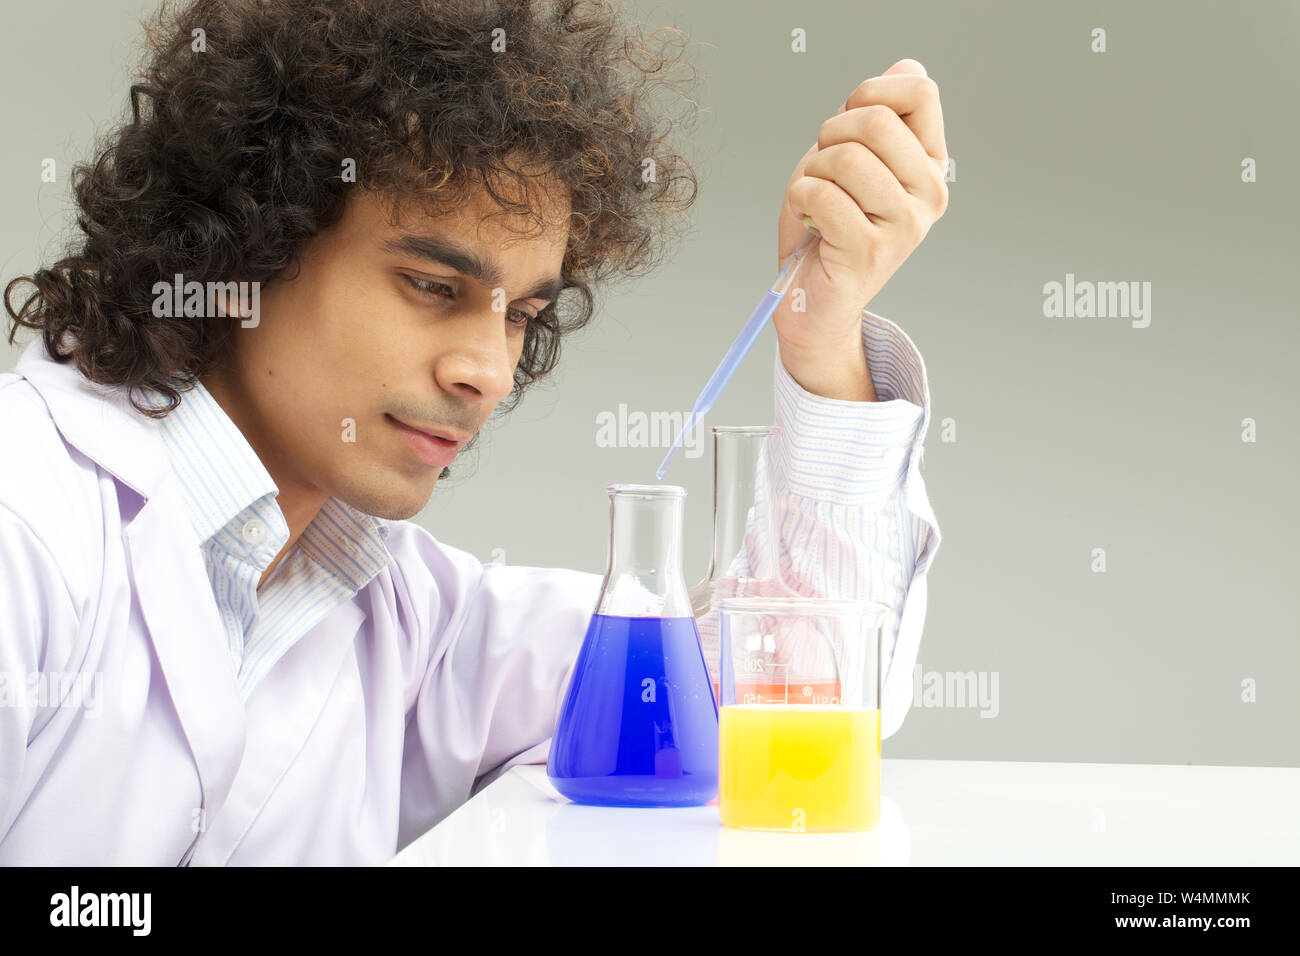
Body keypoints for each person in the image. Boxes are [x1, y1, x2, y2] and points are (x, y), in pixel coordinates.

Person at [0, 0, 947, 864]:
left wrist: (821, 341)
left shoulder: (412, 620)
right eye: (431, 287)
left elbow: (793, 683)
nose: (487, 371)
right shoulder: (28, 523)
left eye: (519, 314)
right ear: (245, 245)